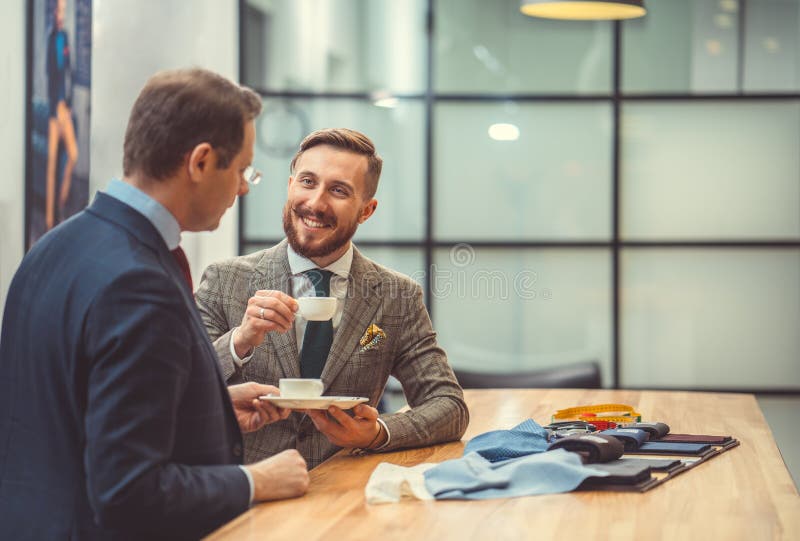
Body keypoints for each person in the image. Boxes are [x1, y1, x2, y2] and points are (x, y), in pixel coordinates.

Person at [0, 68, 309, 540]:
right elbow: (129, 492)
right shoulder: (138, 284)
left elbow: (70, 409)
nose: (244, 188)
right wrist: (257, 480)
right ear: (201, 162)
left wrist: (208, 409)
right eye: (243, 170)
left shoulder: (54, 247)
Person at [195, 128, 469, 469]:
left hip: (343, 495)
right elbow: (180, 395)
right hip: (243, 494)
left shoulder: (397, 295)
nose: (315, 203)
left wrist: (376, 433)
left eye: (338, 190)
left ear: (366, 210)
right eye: (307, 182)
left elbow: (448, 405)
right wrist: (239, 340)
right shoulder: (224, 280)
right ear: (290, 185)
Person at [45, 0, 79, 229]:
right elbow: (50, 75)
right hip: (53, 110)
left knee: (73, 155)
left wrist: (69, 103)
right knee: (51, 164)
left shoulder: (65, 37)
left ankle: (61, 203)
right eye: (60, 10)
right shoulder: (51, 39)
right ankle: (50, 220)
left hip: (64, 107)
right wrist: (54, 109)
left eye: (65, 11)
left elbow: (69, 72)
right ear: (54, 11)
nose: (62, 14)